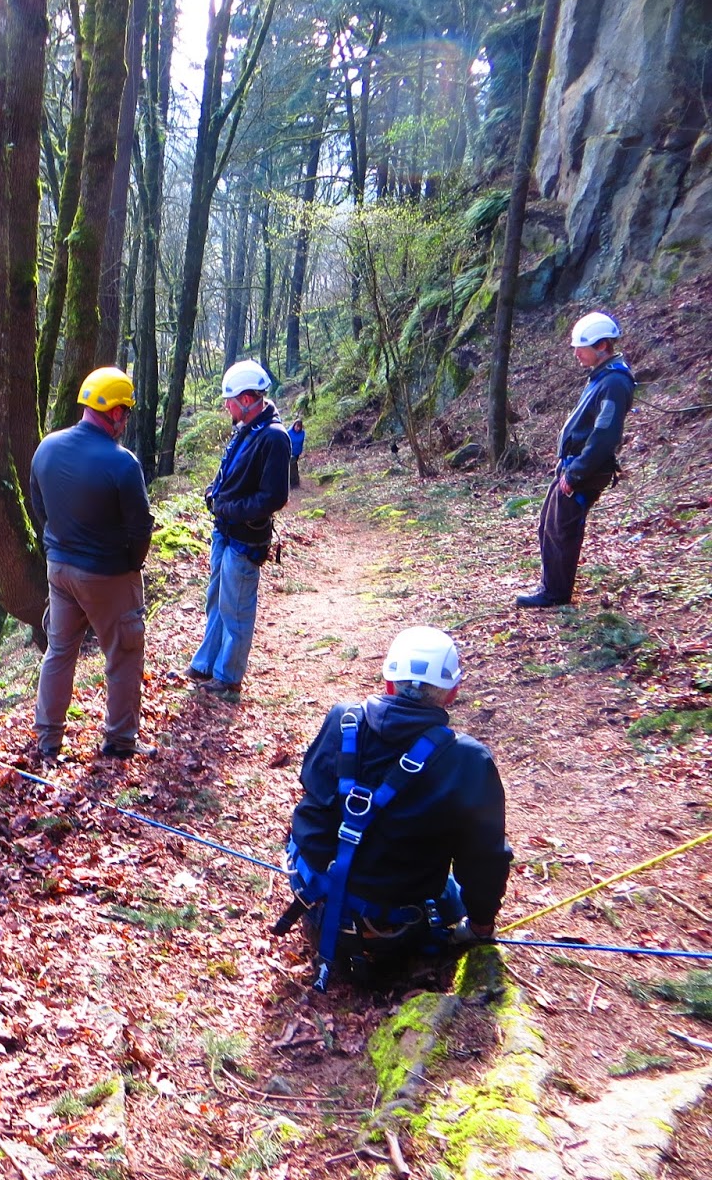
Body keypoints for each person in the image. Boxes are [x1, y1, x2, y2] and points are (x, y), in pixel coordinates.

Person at [278, 627, 512, 989]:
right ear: (452, 693)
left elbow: (312, 790)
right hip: (389, 931)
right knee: (451, 895)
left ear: (389, 683)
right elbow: (484, 861)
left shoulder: (343, 720)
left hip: (315, 901)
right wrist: (480, 926)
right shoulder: (467, 762)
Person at [29, 366, 156, 761]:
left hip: (59, 569)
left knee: (59, 650)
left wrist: (59, 544)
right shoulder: (123, 464)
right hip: (107, 573)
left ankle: (47, 740)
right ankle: (119, 742)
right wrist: (130, 565)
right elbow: (140, 530)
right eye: (126, 412)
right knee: (123, 653)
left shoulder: (46, 447)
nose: (126, 421)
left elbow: (39, 508)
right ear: (114, 412)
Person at [185, 360, 290, 700]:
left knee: (237, 608)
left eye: (229, 400)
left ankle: (228, 679)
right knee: (216, 601)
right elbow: (230, 472)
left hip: (245, 538)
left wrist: (229, 507)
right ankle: (206, 665)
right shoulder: (246, 429)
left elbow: (274, 497)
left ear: (247, 399)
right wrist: (213, 493)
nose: (225, 406)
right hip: (225, 532)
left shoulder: (273, 438)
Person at [517, 311, 636, 609]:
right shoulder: (602, 377)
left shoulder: (614, 383)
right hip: (573, 466)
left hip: (584, 470)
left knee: (562, 529)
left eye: (581, 348)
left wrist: (576, 474)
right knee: (549, 523)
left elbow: (604, 437)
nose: (576, 354)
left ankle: (555, 594)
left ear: (602, 346)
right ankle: (551, 586)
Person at [287, 417, 306, 490]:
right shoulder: (289, 432)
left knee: (294, 466)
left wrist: (301, 451)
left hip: (297, 452)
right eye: (296, 426)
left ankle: (295, 482)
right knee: (291, 466)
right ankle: (292, 482)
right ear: (294, 425)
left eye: (299, 427)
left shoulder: (302, 433)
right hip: (289, 452)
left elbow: (302, 443)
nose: (297, 428)